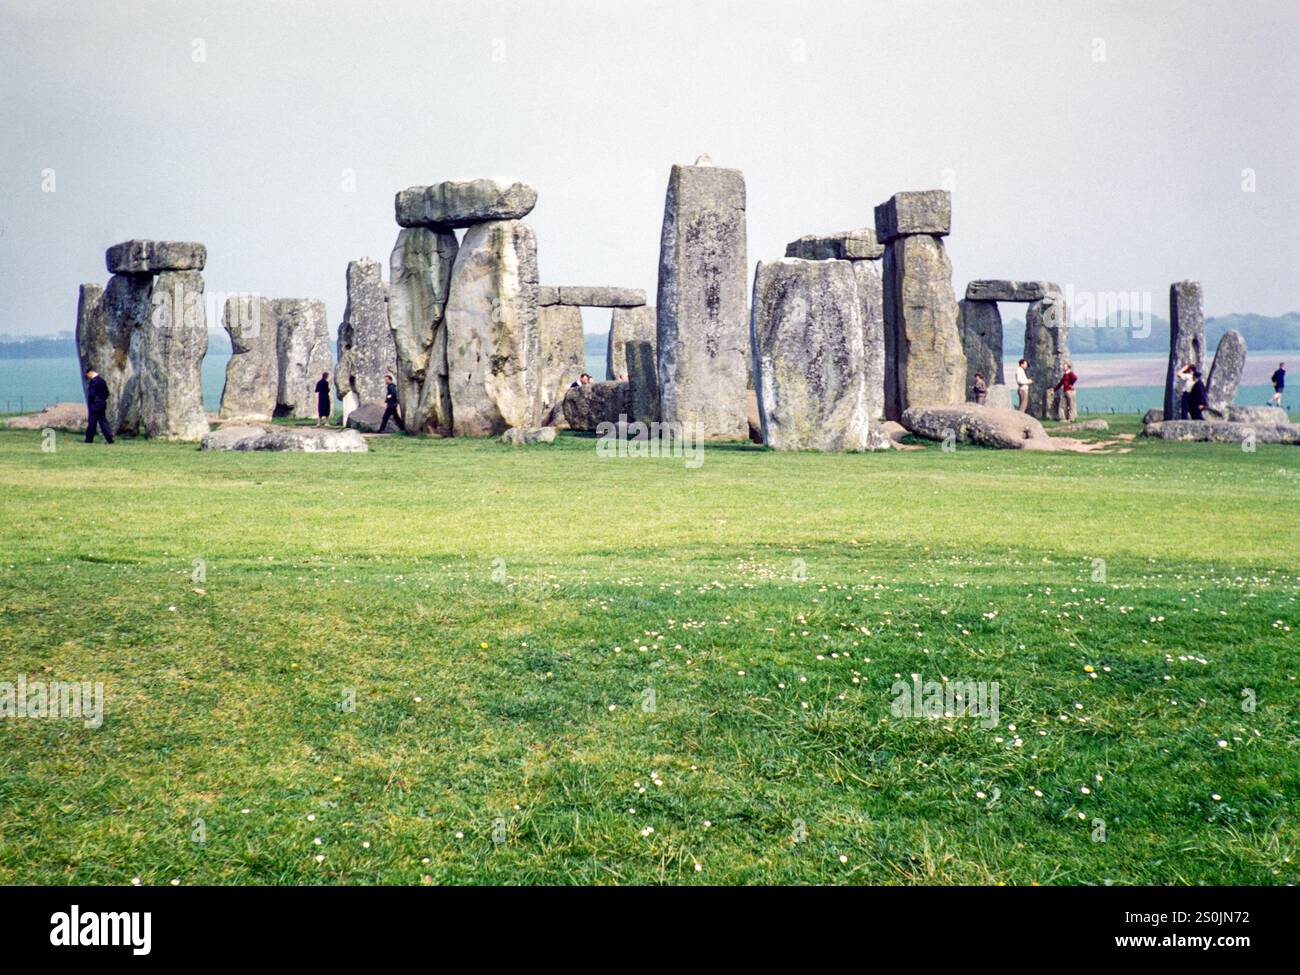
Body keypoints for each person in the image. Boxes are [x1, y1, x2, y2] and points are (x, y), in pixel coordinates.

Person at [83, 369, 114, 444]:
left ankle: (89, 439)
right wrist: (101, 400)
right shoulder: (102, 380)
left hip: (94, 405)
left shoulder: (94, 381)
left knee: (92, 422)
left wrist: (94, 401)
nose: (87, 377)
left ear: (90, 373)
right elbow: (107, 393)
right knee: (103, 422)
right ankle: (109, 438)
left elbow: (92, 394)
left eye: (87, 375)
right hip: (102, 404)